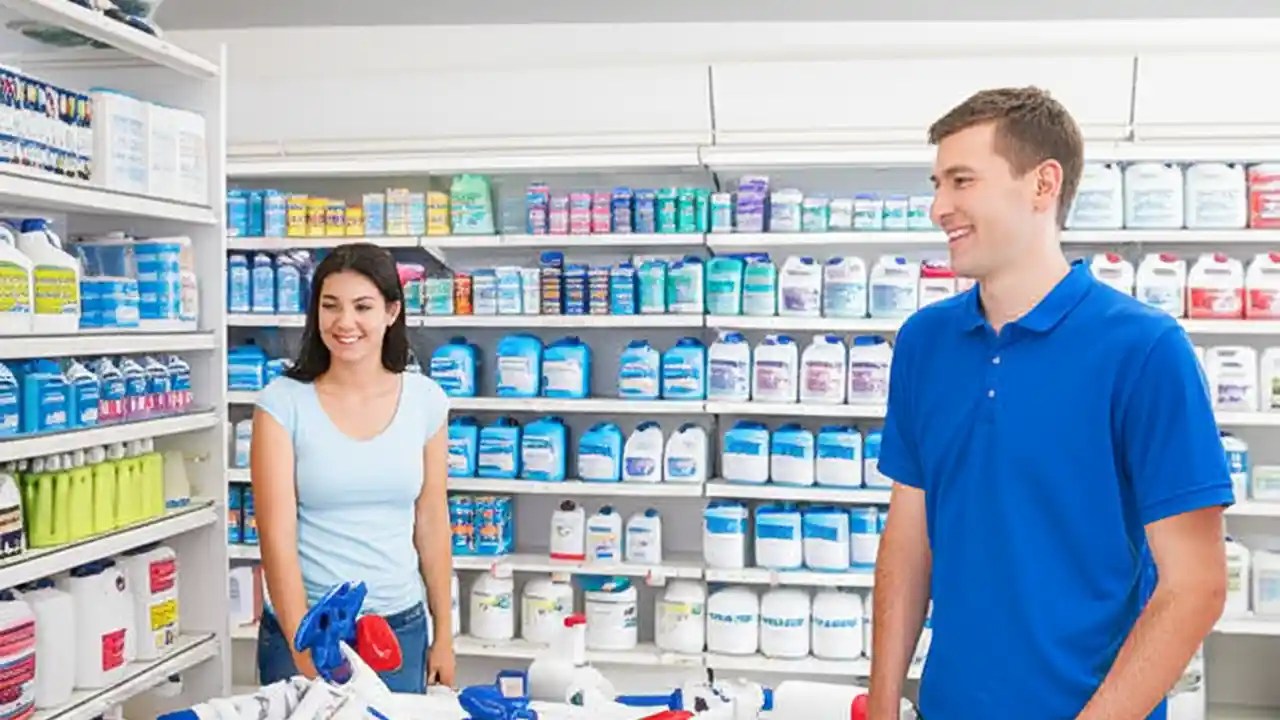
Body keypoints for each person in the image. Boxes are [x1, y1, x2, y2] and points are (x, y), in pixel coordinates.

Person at [867, 87, 1233, 719]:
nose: (938, 208)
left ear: (1043, 184)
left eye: (961, 181)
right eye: (936, 183)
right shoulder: (925, 345)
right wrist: (880, 705)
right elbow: (907, 544)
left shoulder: (1144, 350)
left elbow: (1196, 585)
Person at [250, 242, 455, 691]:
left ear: (392, 311)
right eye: (330, 306)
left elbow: (432, 521)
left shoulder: (425, 401)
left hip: (399, 627)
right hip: (305, 627)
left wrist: (444, 634)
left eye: (362, 306)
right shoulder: (281, 404)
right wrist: (304, 651)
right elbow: (276, 539)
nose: (345, 322)